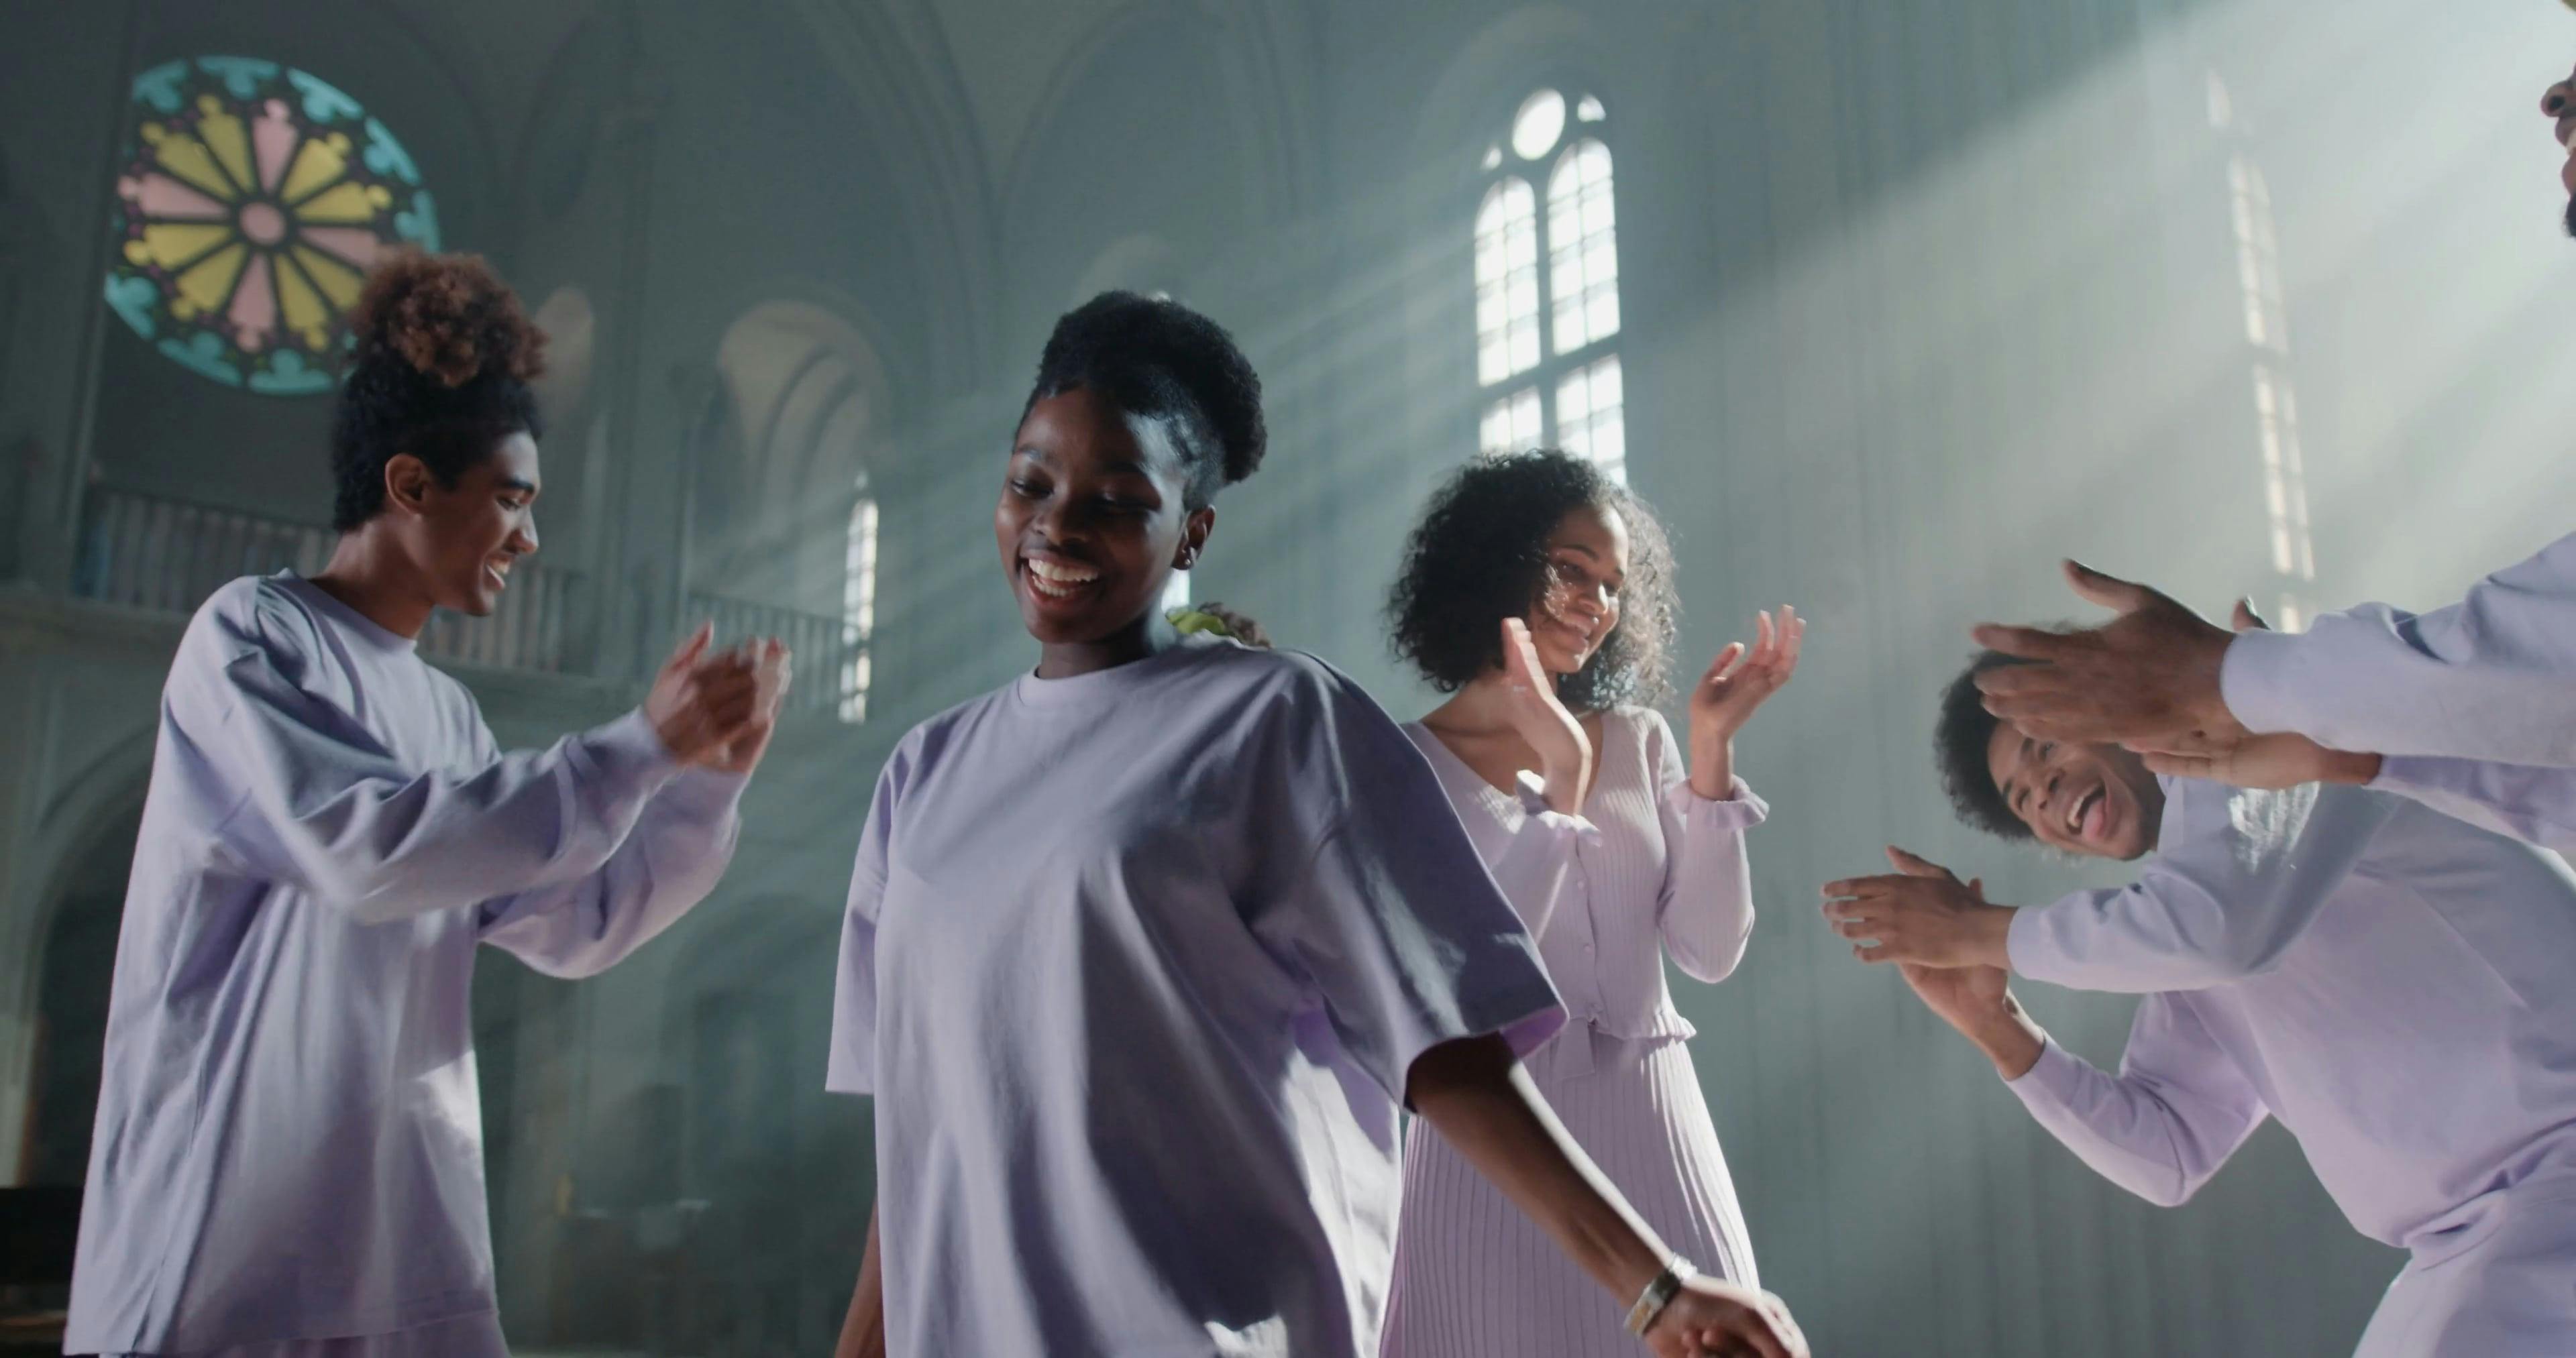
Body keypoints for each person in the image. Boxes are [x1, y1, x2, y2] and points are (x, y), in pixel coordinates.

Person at [826, 294, 1806, 1358]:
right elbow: (916, 1130)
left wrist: (1655, 1288)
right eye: (1031, 483)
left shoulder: (1277, 718)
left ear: (1191, 526)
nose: (1058, 525)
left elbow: (1451, 1048)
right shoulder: (920, 775)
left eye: (1116, 500)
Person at [64, 251, 790, 1357]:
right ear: (410, 485)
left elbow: (580, 922)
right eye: (510, 499)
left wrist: (701, 784)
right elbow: (364, 851)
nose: (529, 539)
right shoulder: (252, 635)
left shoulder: (447, 716)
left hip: (394, 1244)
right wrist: (640, 745)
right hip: (224, 1238)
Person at [1816, 647, 2576, 1355]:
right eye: (2023, 802)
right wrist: (1996, 1027)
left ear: (2102, 706)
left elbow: (2222, 927)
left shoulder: (2267, 744)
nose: (2042, 794)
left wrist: (1983, 931)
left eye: (2043, 749)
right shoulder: (2184, 920)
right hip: (2475, 1241)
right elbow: (2170, 1152)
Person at [1964, 64, 2576, 842]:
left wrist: (2221, 679)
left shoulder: (2236, 827)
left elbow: (2530, 675)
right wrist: (2351, 754)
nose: (2554, 98)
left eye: (2048, 732)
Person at [1371, 450, 1801, 1357]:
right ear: (1495, 558)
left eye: (1612, 584)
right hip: (1489, 1153)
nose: (1597, 603)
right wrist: (1561, 783)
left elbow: (1710, 952)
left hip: (1656, 1123)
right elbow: (1469, 990)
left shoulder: (1641, 741)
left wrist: (1712, 751)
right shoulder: (1398, 765)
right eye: (1572, 569)